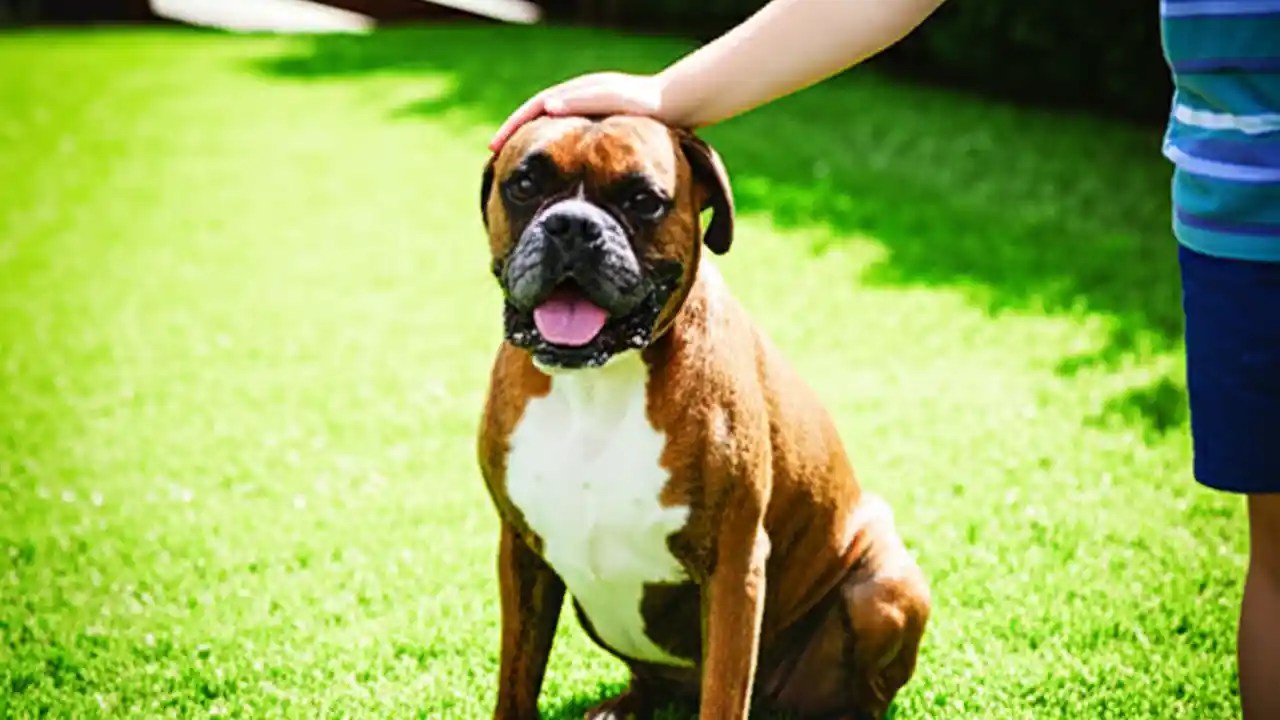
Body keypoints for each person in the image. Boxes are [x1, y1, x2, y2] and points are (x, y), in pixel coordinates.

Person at [486, 0, 1280, 717]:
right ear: (487, 198)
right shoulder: (510, 401)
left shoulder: (711, 386)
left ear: (707, 214)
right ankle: (656, 688)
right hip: (1234, 203)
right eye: (530, 190)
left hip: (814, 620)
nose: (575, 230)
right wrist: (667, 95)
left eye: (639, 202)